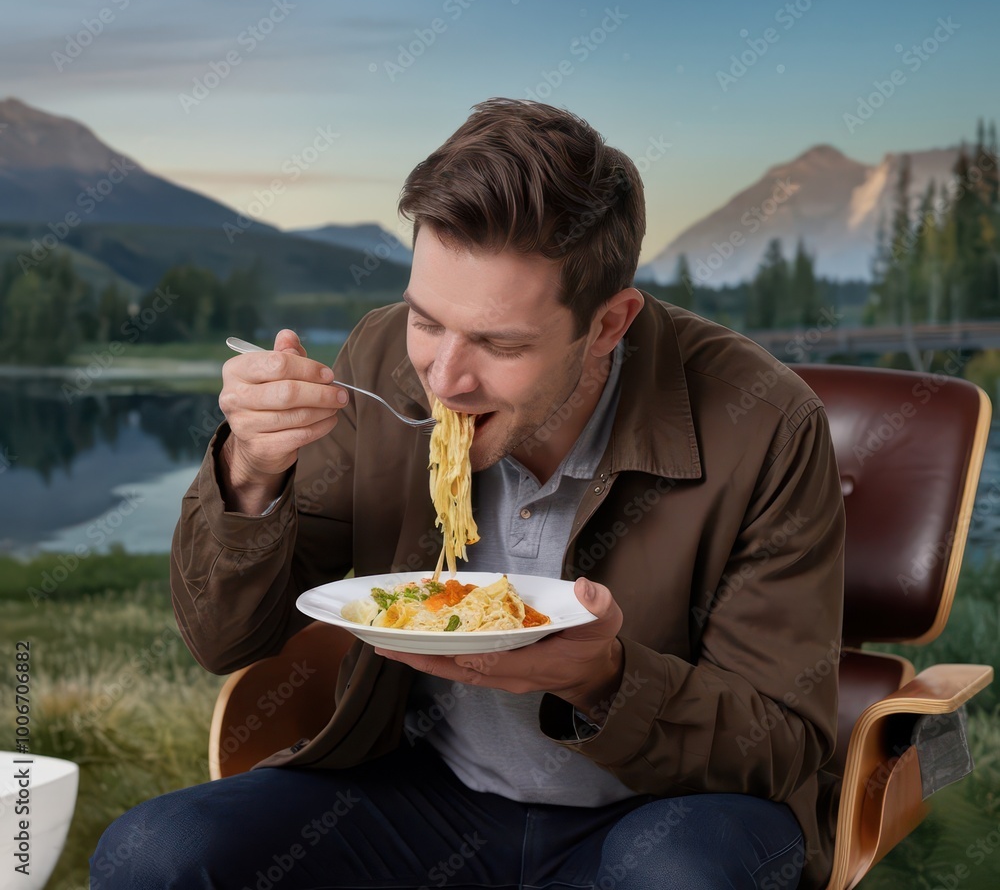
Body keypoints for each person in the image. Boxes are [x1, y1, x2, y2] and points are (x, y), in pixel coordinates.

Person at [93, 98, 845, 890]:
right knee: (152, 857)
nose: (444, 378)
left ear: (609, 325)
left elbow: (782, 743)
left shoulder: (767, 423)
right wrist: (250, 470)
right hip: (420, 795)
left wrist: (605, 679)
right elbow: (225, 640)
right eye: (428, 320)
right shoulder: (383, 356)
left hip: (659, 814)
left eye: (499, 343)